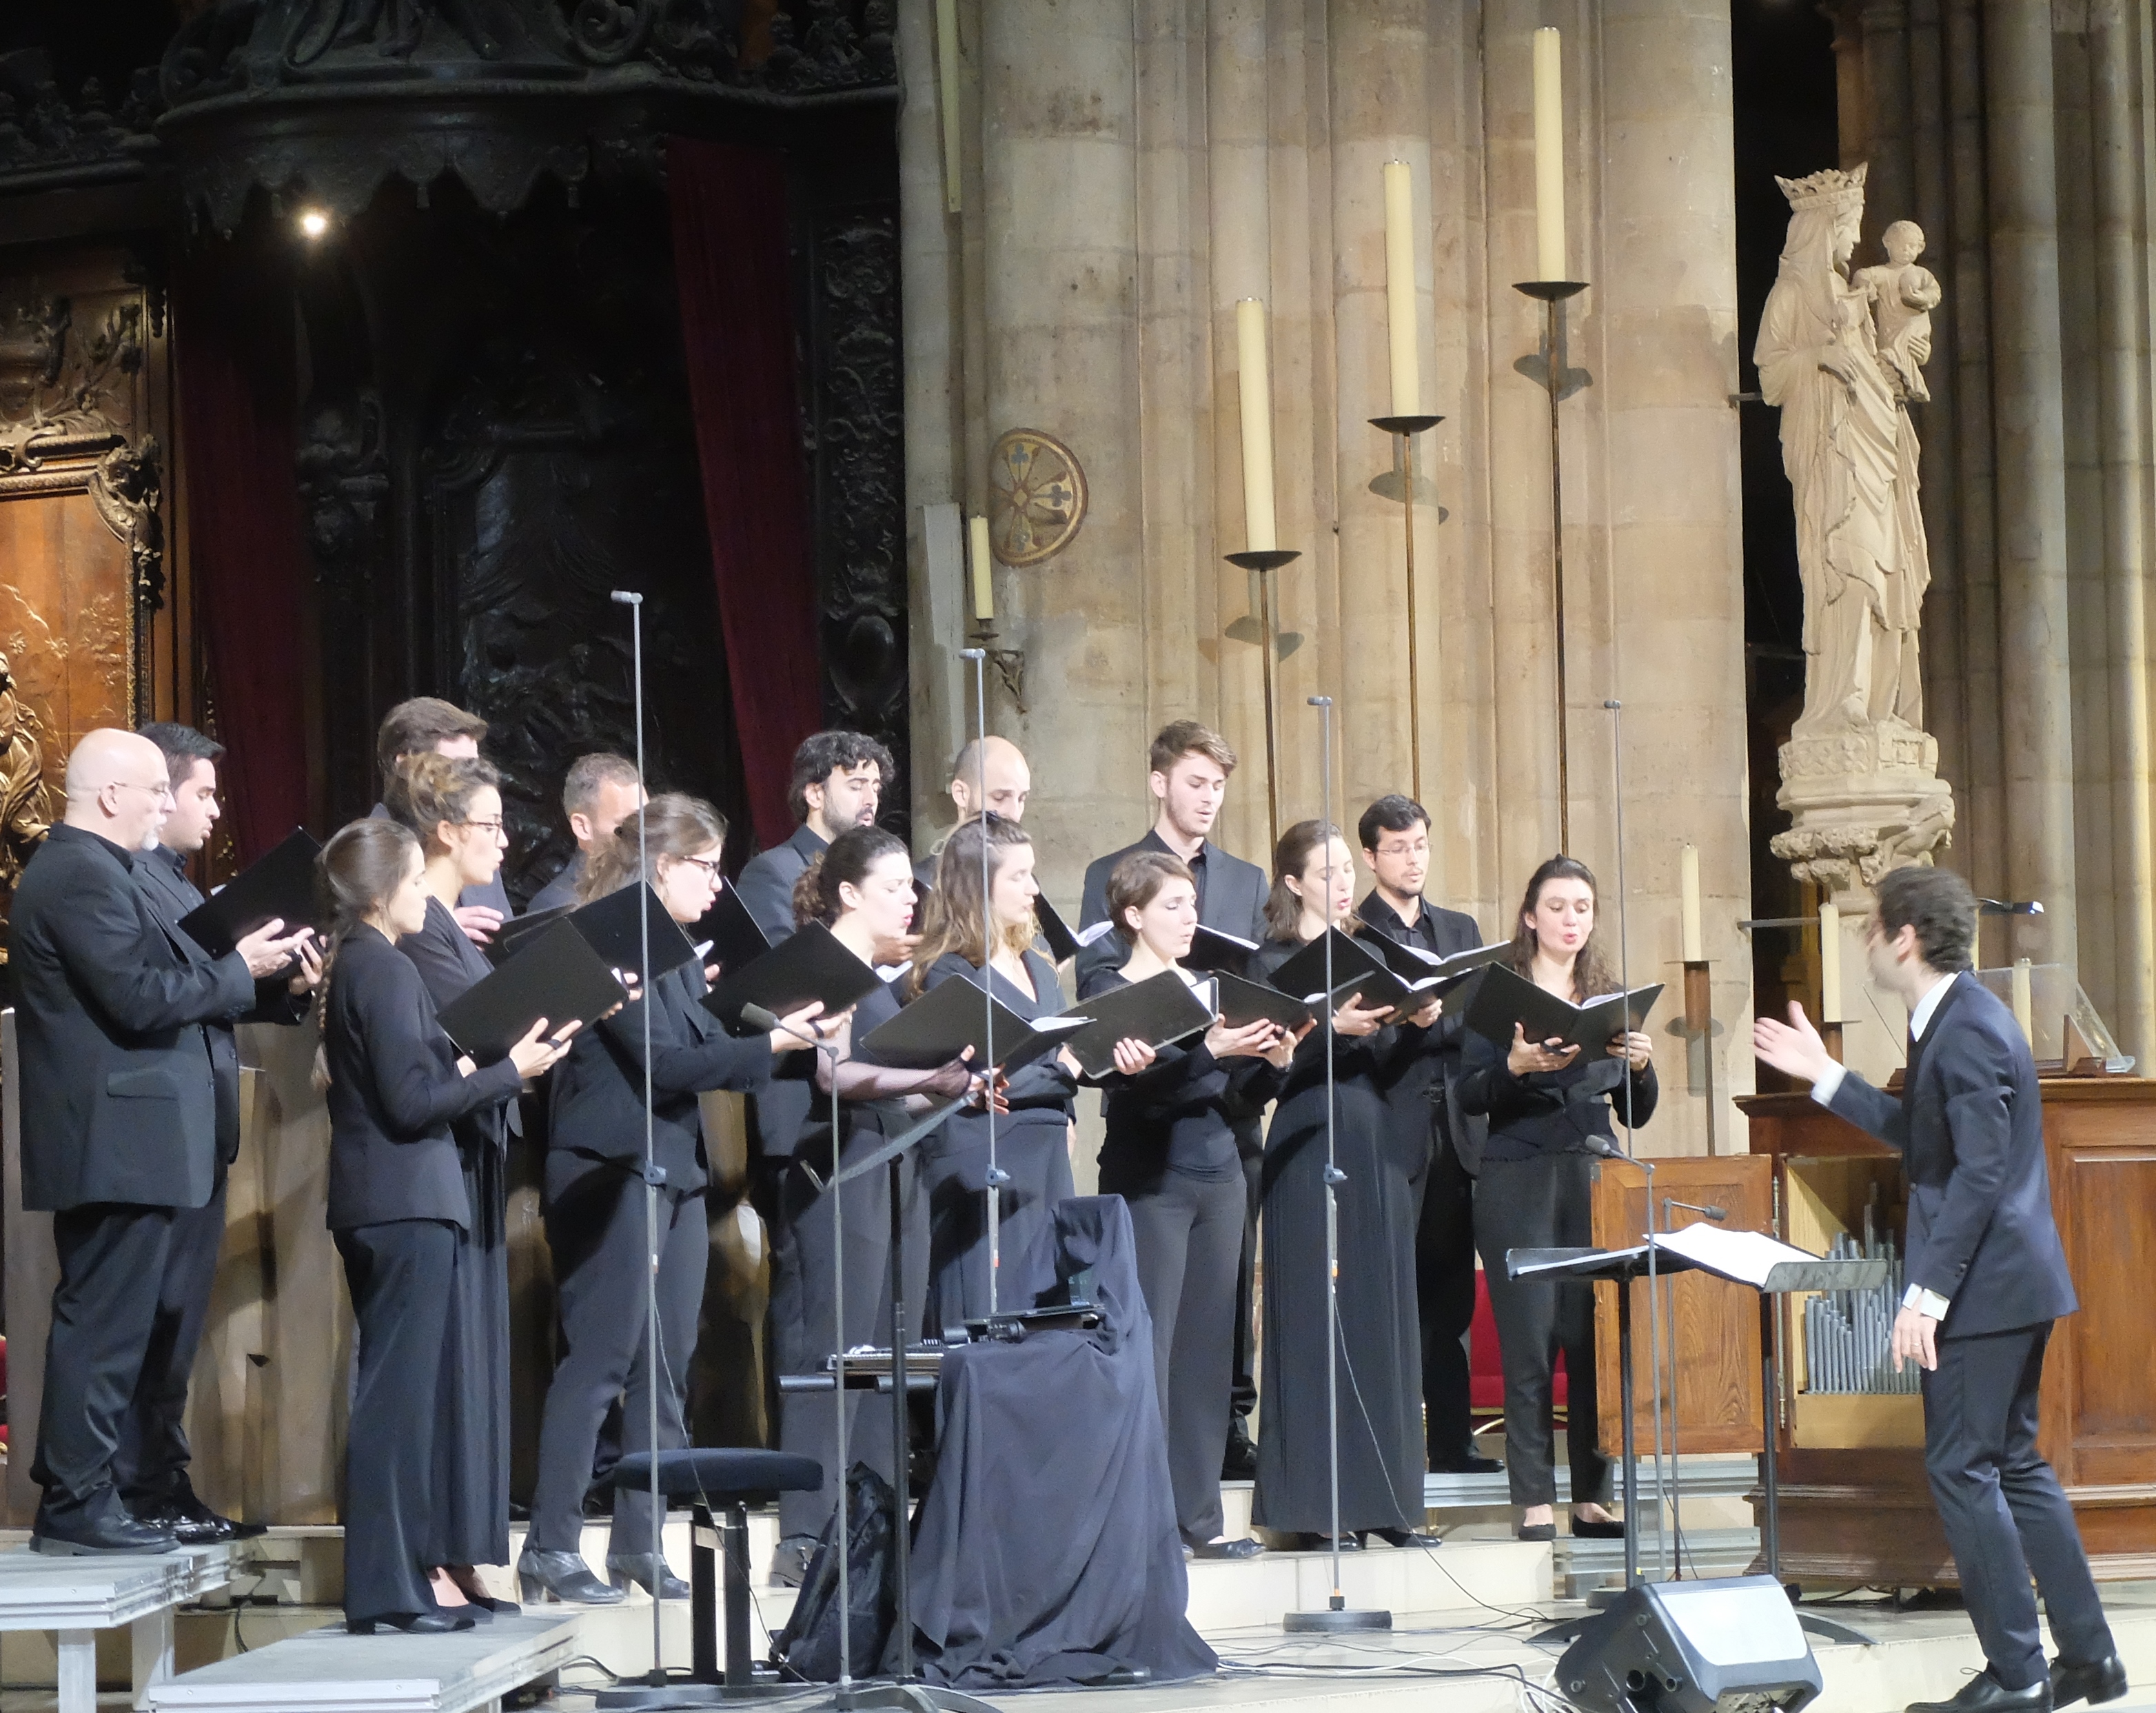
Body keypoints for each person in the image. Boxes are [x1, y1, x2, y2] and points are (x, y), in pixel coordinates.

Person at [1755, 866, 2122, 1713]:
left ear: (1903, 937)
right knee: (2015, 1467)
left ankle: (2018, 1673)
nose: (1866, 946)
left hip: (1984, 1289)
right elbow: (1928, 1145)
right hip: (2008, 1281)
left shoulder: (1963, 1031)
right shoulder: (1950, 1021)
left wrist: (1924, 1293)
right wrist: (1824, 1076)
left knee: (1961, 1469)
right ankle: (2089, 1660)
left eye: (1870, 929)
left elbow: (1981, 1176)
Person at [520, 797, 824, 1605]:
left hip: (674, 1170)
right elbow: (665, 1062)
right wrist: (774, 1045)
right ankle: (549, 1545)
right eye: (705, 867)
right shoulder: (608, 937)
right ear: (662, 865)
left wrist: (747, 1028)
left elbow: (689, 1046)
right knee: (601, 1359)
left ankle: (638, 1542)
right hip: (612, 1167)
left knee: (664, 1364)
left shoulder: (678, 950)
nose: (717, 886)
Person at [14, 729, 310, 1555]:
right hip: (115, 1141)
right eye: (153, 791)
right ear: (112, 796)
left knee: (129, 1330)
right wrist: (239, 967)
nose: (163, 806)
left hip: (145, 1141)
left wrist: (263, 979)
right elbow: (139, 997)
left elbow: (178, 987)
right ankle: (75, 1504)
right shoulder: (77, 873)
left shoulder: (113, 874)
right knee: (102, 1328)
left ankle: (112, 1493)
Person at [316, 818, 572, 1632]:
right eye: (416, 884)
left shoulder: (359, 963)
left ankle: (399, 1586)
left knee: (403, 1400)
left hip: (385, 1198)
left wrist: (469, 1067)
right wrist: (509, 1072)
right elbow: (413, 1103)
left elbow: (408, 1078)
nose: (426, 897)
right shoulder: (384, 969)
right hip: (404, 1200)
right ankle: (388, 1590)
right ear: (388, 891)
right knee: (397, 1403)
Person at [123, 724, 321, 1544]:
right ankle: (138, 1491)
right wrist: (240, 966)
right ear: (158, 793)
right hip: (153, 1132)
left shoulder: (177, 884)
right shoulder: (127, 881)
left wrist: (286, 986)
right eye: (203, 793)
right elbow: (159, 992)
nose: (216, 809)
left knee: (175, 1326)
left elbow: (213, 989)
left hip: (201, 1131)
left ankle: (163, 1485)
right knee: (150, 1323)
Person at [769, 825, 978, 1585]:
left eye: (911, 888)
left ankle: (870, 1524)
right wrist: (924, 1083)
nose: (910, 900)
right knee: (836, 1346)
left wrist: (952, 1081)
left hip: (897, 1157)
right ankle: (805, 1533)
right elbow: (833, 1073)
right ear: (849, 893)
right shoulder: (822, 963)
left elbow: (890, 1070)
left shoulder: (889, 974)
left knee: (887, 1351)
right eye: (894, 888)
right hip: (842, 1162)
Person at [1081, 849, 1297, 1559]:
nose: (1188, 917)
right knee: (1151, 1350)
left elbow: (1228, 1098)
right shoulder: (1113, 988)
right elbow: (1135, 1097)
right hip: (1152, 1179)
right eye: (1172, 905)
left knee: (1207, 1354)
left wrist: (1270, 1069)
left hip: (1218, 1175)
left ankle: (1195, 1520)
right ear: (1133, 914)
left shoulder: (1208, 986)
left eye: (1192, 905)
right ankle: (1140, 1523)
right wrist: (1205, 1049)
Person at [1078, 720, 1270, 1479]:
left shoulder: (1243, 881)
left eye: (1219, 785)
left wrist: (1270, 1053)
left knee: (1209, 1334)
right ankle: (1145, 1495)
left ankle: (1202, 1487)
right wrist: (1200, 1047)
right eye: (1196, 782)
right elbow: (1115, 1039)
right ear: (1159, 781)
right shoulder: (1111, 882)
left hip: (1223, 1137)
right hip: (1154, 1148)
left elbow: (1245, 1002)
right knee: (1149, 1335)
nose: (1208, 798)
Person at [1249, 820, 1440, 1550]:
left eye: (1344, 873)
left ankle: (1387, 1501)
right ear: (1293, 881)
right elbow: (1267, 1067)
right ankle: (1312, 1506)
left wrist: (1418, 1019)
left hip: (1373, 1136)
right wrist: (1325, 1025)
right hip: (1306, 1131)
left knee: (1379, 1316)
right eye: (1325, 872)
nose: (1341, 885)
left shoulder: (1367, 953)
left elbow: (1389, 1056)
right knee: (1312, 1316)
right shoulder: (1269, 963)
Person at [1455, 855, 1653, 1543]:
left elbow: (1636, 1109)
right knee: (1530, 1340)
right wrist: (1511, 1067)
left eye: (1582, 908)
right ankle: (1534, 1497)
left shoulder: (1606, 995)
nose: (1571, 919)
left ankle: (1591, 1495)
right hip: (1516, 1175)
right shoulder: (1497, 997)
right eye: (1558, 906)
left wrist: (1640, 1064)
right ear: (1530, 916)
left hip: (1591, 1174)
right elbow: (1468, 1092)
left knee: (1590, 1337)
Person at [380, 753, 530, 1613]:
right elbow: (457, 1034)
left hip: (474, 1155)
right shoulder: (422, 926)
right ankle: (430, 1549)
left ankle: (465, 1549)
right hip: (438, 1155)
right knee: (443, 1364)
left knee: (475, 1360)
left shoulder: (454, 926)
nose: (505, 842)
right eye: (491, 826)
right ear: (445, 832)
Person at [1355, 795, 1500, 1477]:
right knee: (1394, 1290)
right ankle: (1392, 1442)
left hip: (1459, 1126)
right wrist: (1402, 1022)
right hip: (1394, 1125)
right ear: (1370, 856)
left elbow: (1477, 1023)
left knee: (1451, 1294)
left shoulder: (1457, 926)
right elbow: (1355, 1048)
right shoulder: (1357, 938)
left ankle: (1451, 1439)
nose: (1412, 858)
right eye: (1398, 847)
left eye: (1420, 845)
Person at [911, 814, 1078, 1328]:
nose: (1033, 888)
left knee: (1047, 1313)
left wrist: (1067, 1100)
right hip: (983, 1158)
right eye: (1018, 876)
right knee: (989, 1315)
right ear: (978, 887)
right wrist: (1065, 1072)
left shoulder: (1040, 959)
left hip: (1047, 1156)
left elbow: (1058, 1055)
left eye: (1033, 874)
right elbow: (982, 1075)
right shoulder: (950, 970)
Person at [733, 730, 895, 946]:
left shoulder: (872, 870)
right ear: (815, 795)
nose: (871, 800)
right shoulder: (772, 872)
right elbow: (780, 965)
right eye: (856, 787)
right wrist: (872, 952)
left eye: (876, 788)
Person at [372, 697, 511, 943]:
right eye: (457, 767)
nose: (473, 779)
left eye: (474, 765)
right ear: (405, 765)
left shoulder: (478, 839)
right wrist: (441, 932)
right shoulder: (369, 853)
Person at [527, 753, 647, 914]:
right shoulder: (556, 907)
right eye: (628, 824)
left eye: (648, 821)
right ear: (583, 827)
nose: (645, 834)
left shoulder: (660, 887)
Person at [914, 736, 1032, 889]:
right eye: (999, 798)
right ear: (961, 793)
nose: (1015, 815)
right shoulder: (924, 886)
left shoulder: (1025, 885)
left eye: (1021, 799)